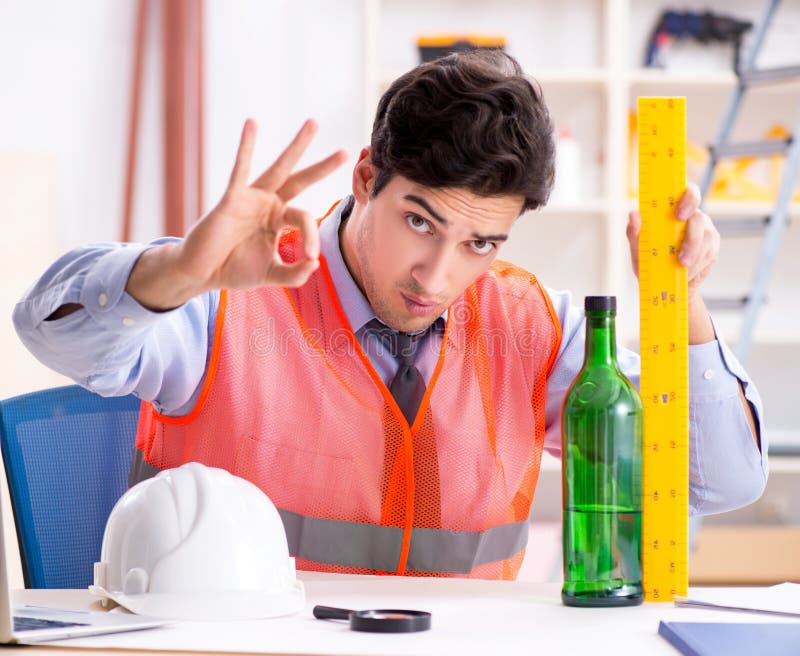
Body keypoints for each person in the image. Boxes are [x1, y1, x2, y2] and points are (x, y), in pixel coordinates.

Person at [14, 51, 766, 580]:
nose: (438, 277)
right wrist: (174, 273)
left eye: (480, 243)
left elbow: (717, 481)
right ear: (368, 178)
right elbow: (49, 331)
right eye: (420, 222)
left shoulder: (534, 327)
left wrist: (682, 297)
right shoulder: (232, 295)